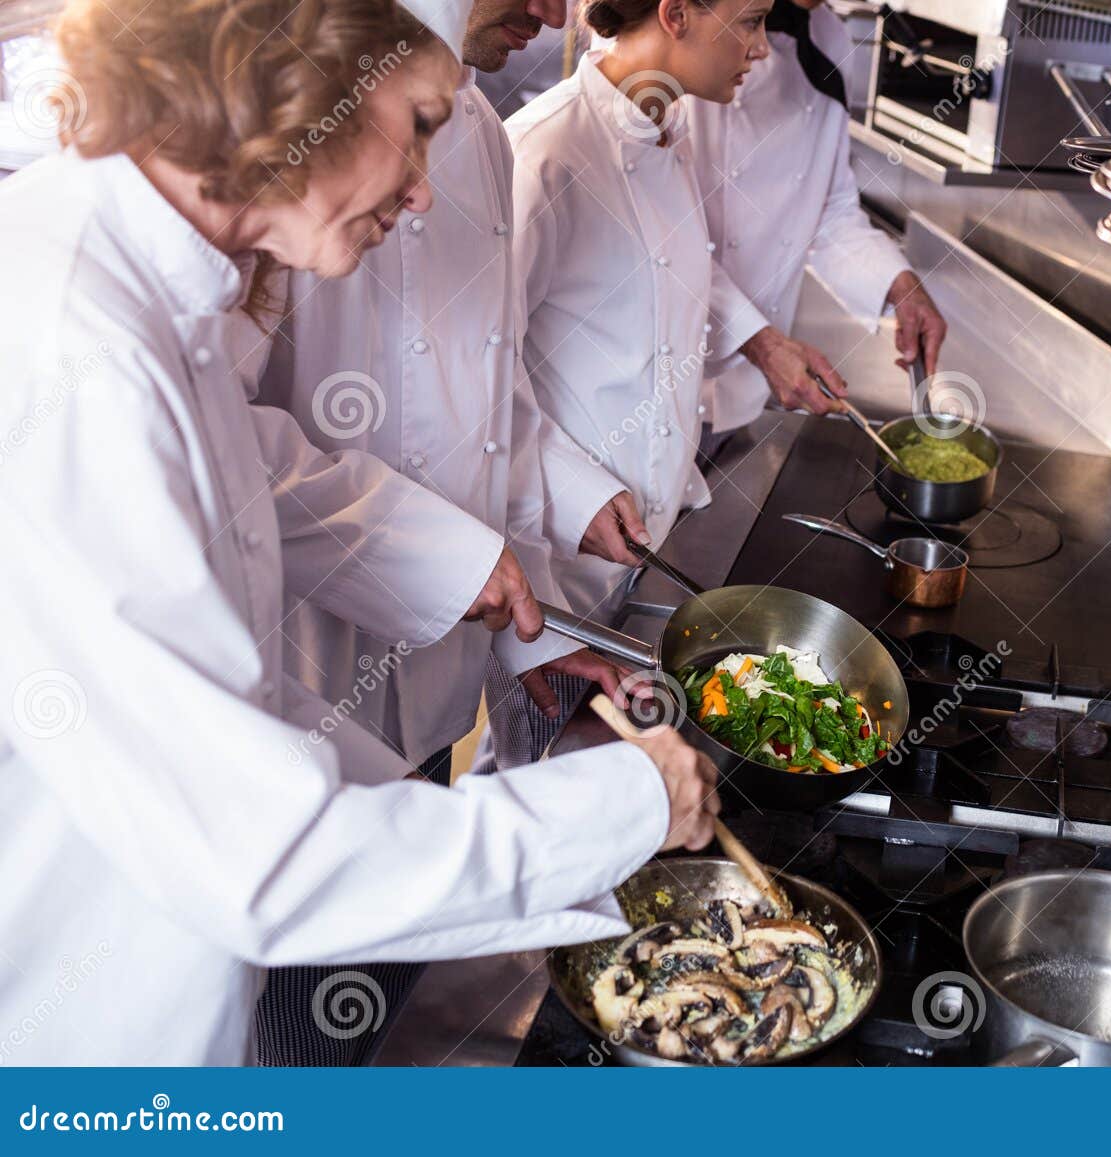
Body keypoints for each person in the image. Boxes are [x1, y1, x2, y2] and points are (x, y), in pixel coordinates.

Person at [0, 0, 718, 1066]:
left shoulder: (157, 296)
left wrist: (469, 585)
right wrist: (617, 803)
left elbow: (240, 620)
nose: (426, 186)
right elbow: (264, 859)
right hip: (89, 1031)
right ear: (292, 85)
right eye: (418, 122)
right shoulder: (78, 358)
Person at [482, 0, 846, 770]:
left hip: (637, 549)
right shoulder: (544, 154)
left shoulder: (662, 135)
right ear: (676, 14)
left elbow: (678, 274)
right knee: (536, 783)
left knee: (598, 779)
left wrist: (766, 345)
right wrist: (577, 495)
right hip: (549, 569)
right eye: (747, 22)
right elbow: (485, 379)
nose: (760, 48)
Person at [689, 0, 947, 456]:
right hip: (666, 386)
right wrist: (760, 343)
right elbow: (665, 244)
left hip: (747, 393)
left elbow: (829, 208)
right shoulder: (698, 25)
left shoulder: (830, 35)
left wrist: (899, 286)